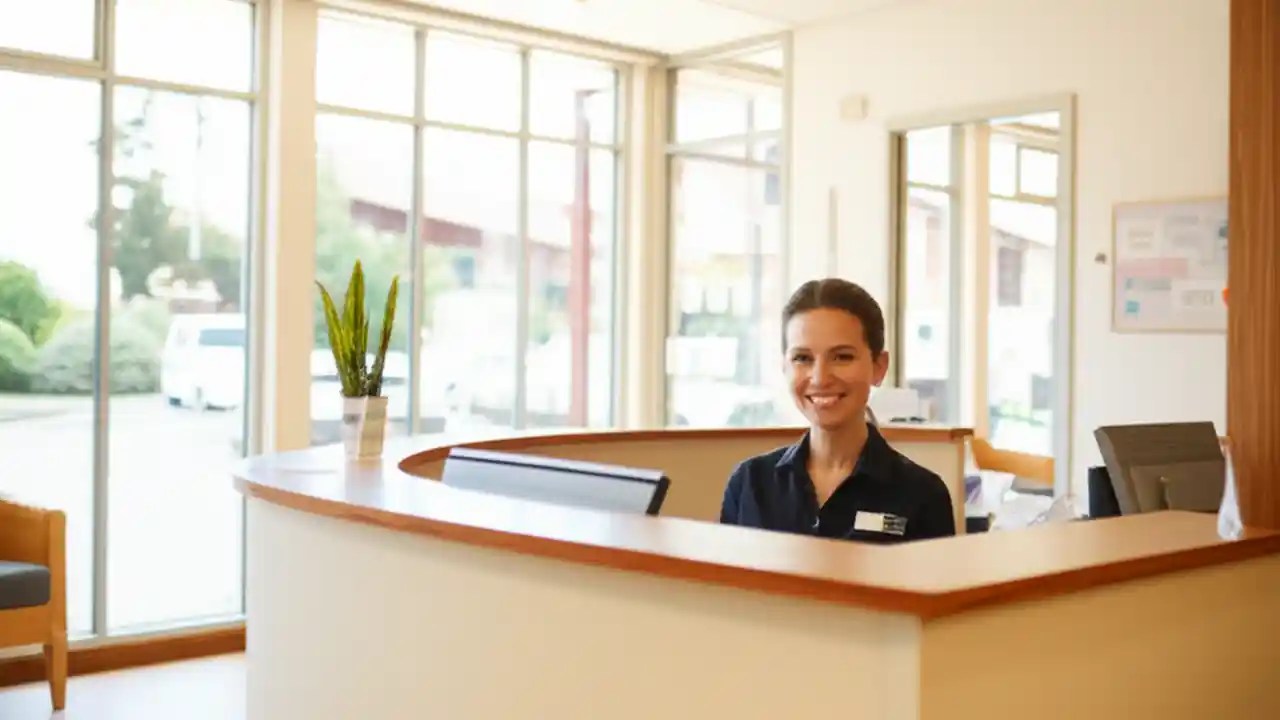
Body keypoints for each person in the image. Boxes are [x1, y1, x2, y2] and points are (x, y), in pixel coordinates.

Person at [720, 278, 955, 543]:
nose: (820, 378)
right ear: (784, 367)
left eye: (842, 357)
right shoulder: (750, 484)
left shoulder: (922, 495)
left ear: (879, 366)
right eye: (802, 358)